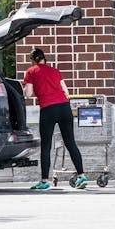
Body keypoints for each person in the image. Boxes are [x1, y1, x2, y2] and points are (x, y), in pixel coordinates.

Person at [22, 48, 87, 190]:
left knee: (46, 146)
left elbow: (28, 93)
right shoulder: (55, 71)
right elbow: (66, 91)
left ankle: (45, 181)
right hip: (64, 107)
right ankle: (82, 176)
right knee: (70, 143)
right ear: (45, 58)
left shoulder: (31, 71)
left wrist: (27, 87)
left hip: (48, 109)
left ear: (33, 60)